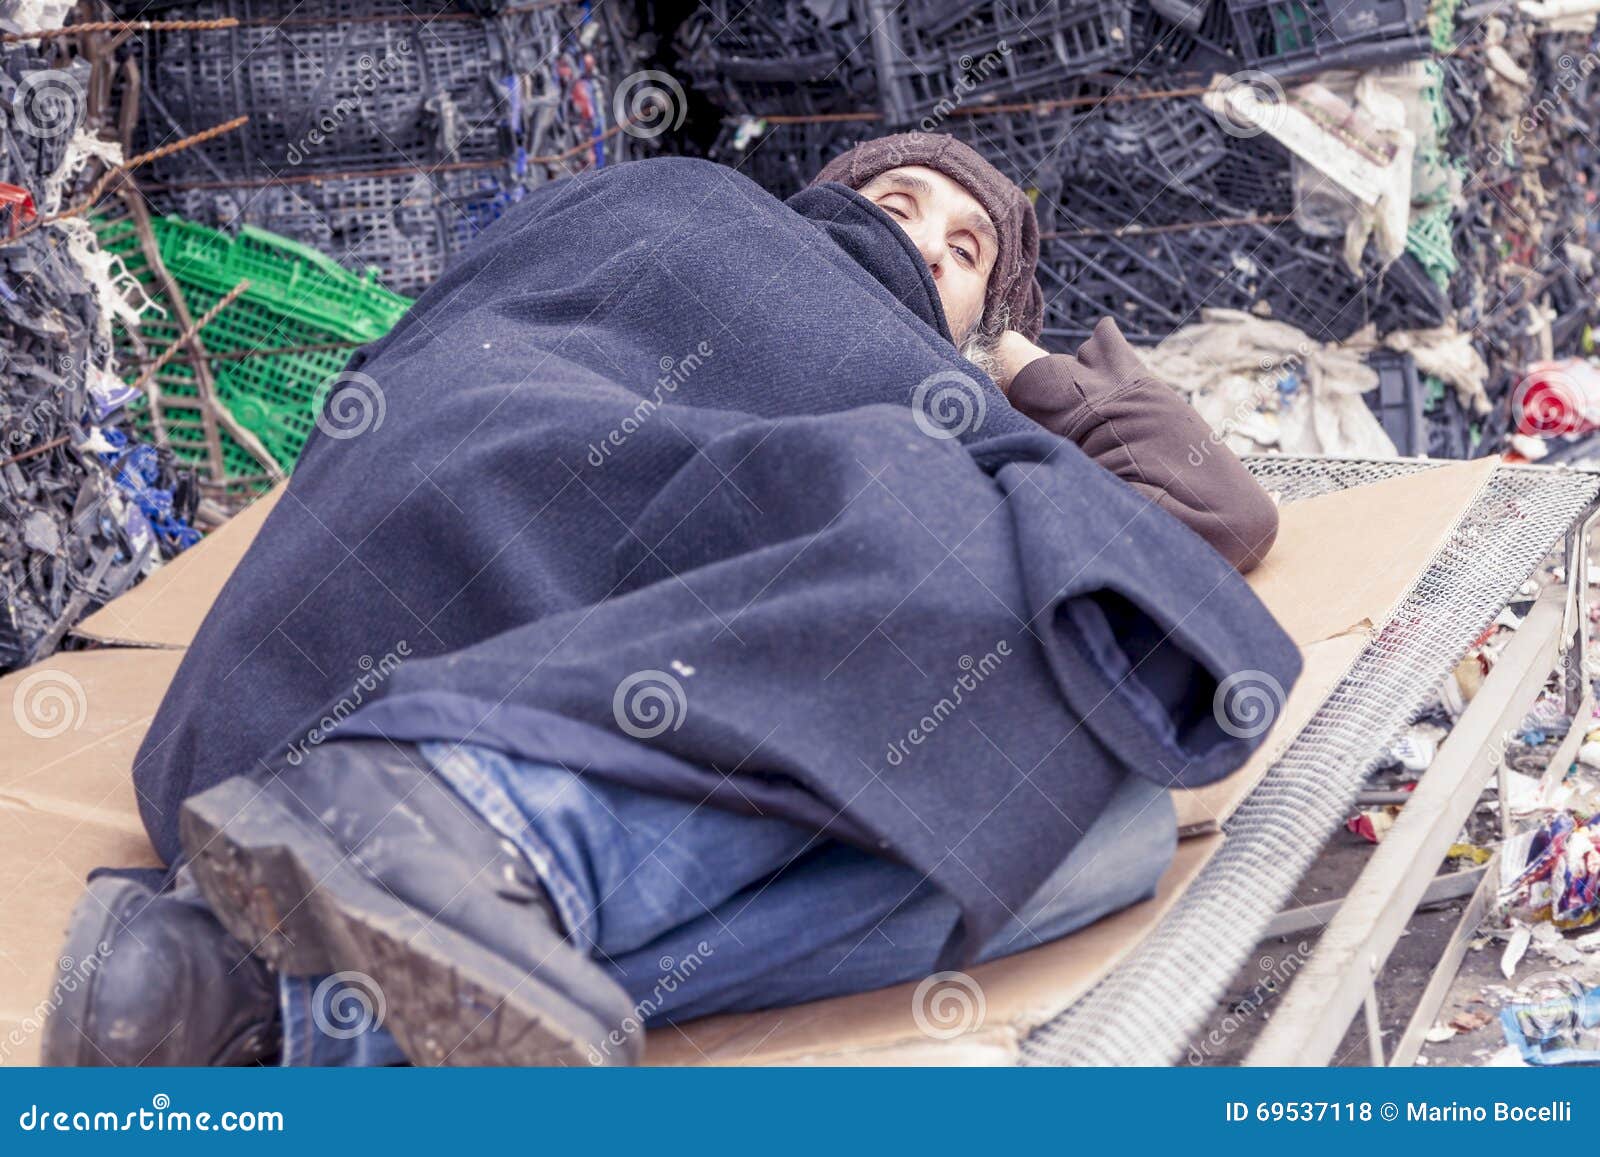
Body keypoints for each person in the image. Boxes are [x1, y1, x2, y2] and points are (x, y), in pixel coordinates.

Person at [44, 133, 1286, 1067]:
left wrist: (1006, 356)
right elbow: (1192, 522)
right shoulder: (689, 208)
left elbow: (1199, 525)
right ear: (821, 200)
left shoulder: (915, 377)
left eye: (968, 253)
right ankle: (448, 836)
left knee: (1095, 822)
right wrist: (993, 372)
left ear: (979, 323)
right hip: (401, 675)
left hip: (262, 750)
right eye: (895, 201)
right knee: (994, 584)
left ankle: (248, 992)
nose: (920, 240)